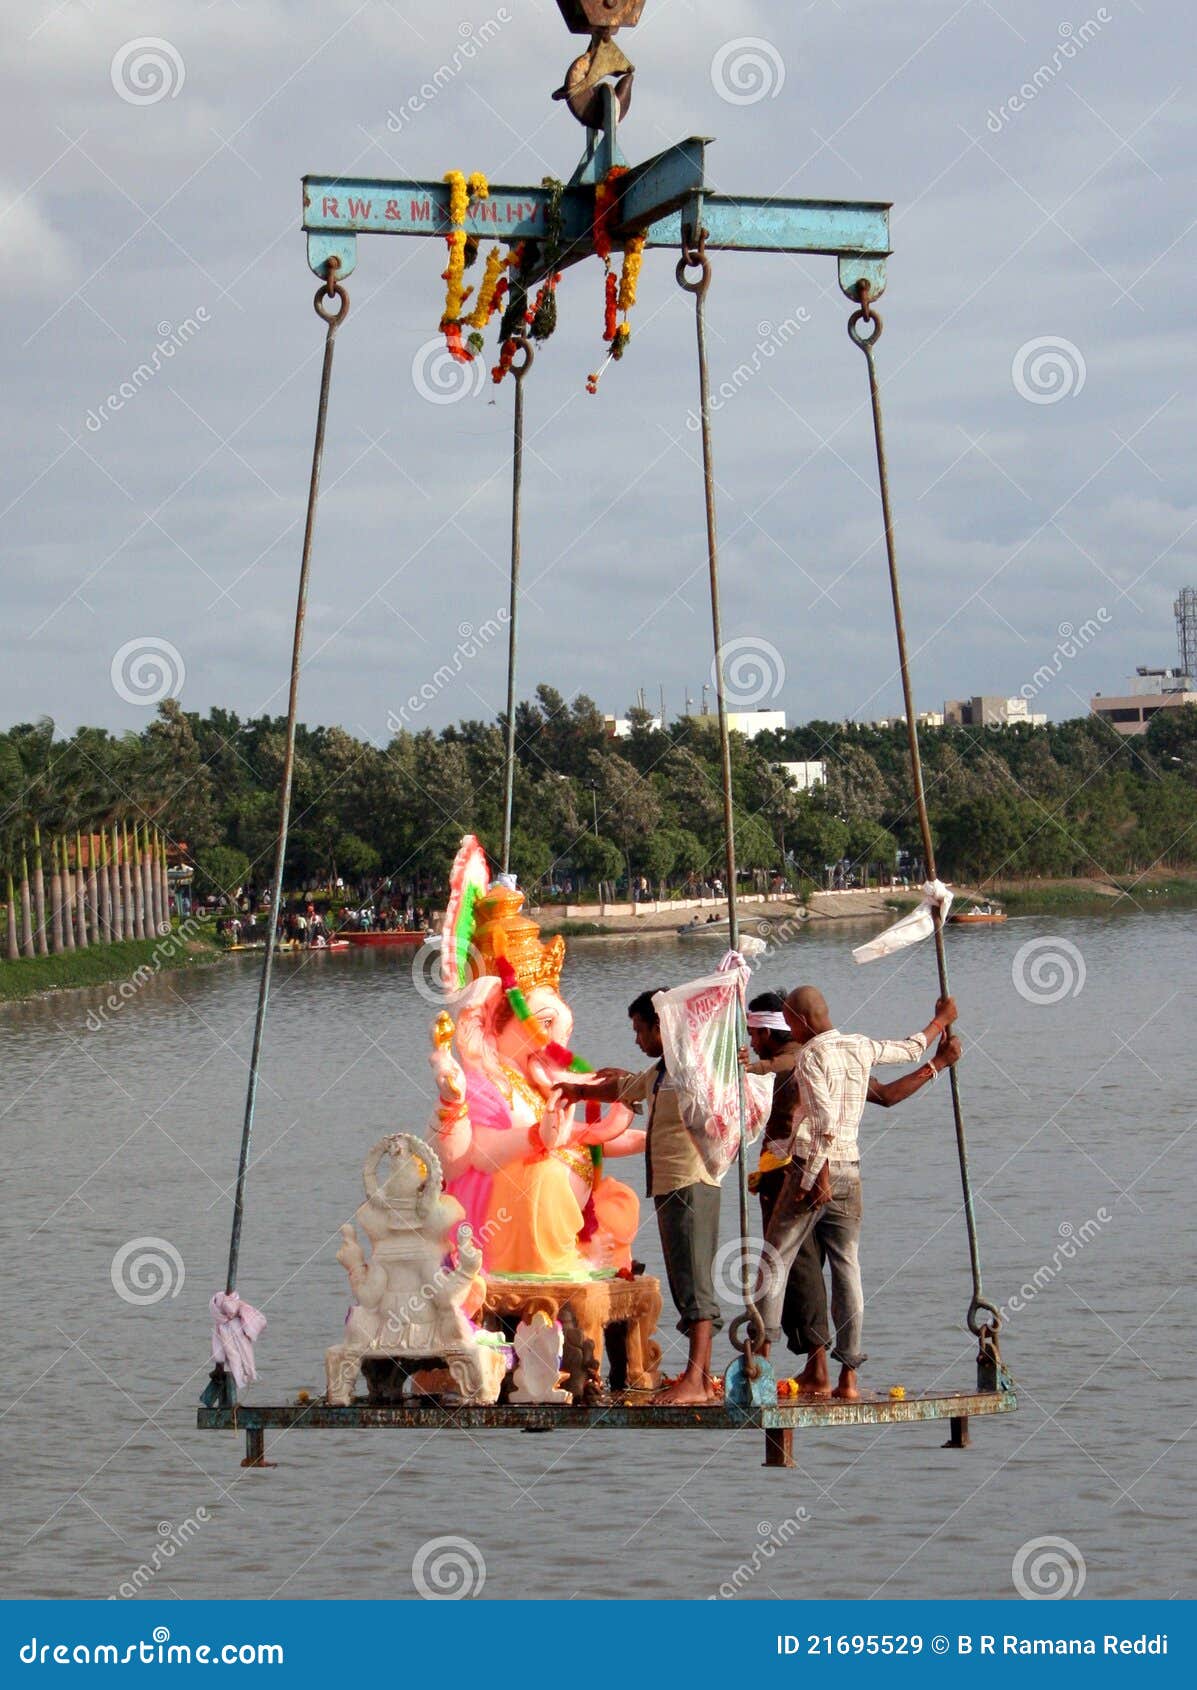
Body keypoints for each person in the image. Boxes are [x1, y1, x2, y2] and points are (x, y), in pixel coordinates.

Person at [743, 990, 961, 1392]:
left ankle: (759, 1366)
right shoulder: (860, 1046)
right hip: (852, 1170)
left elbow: (823, 1122)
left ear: (800, 1021)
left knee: (775, 1262)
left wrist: (818, 1177)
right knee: (848, 1270)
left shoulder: (810, 1057)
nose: (788, 1030)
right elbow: (911, 1048)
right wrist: (940, 1025)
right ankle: (849, 1378)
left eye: (789, 1023)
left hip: (814, 1169)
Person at [555, 989, 722, 1406]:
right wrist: (579, 1093)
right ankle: (696, 1377)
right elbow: (627, 1087)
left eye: (639, 1030)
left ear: (660, 1027)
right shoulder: (663, 1072)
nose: (636, 1040)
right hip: (668, 1185)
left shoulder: (688, 1068)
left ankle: (698, 1381)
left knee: (696, 1284)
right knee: (685, 1282)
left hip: (691, 1183)